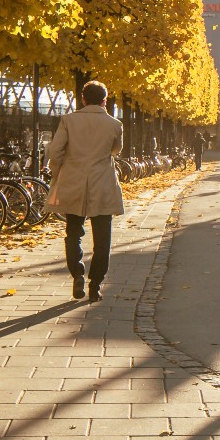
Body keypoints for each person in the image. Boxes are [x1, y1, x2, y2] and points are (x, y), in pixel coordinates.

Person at [44, 80, 125, 304]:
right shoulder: (114, 124)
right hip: (102, 184)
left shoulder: (69, 120)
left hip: (74, 181)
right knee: (102, 237)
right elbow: (116, 150)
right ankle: (95, 284)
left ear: (83, 99)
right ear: (104, 100)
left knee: (73, 231)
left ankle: (77, 273)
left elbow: (56, 150)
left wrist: (57, 172)